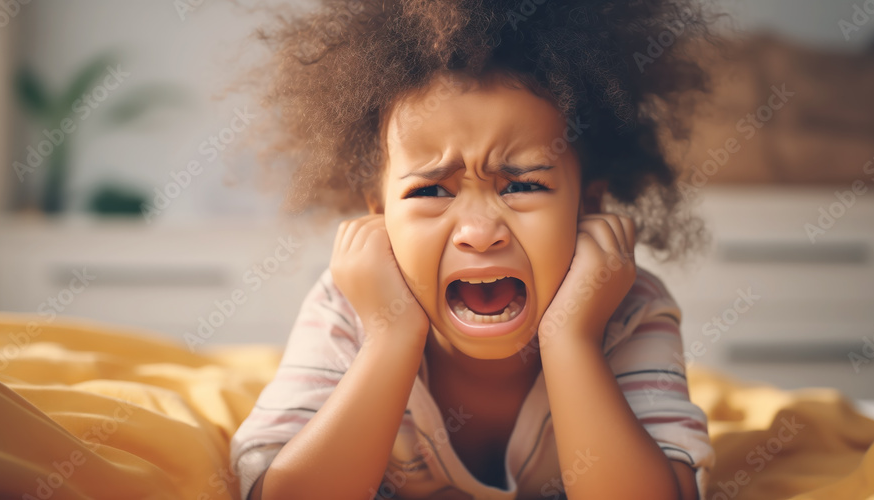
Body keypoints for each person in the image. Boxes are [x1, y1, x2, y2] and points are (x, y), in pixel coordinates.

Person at [231, 1, 717, 499]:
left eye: (522, 185)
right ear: (381, 216)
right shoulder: (349, 306)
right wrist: (388, 338)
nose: (480, 233)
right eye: (430, 190)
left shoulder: (626, 308)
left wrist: (573, 340)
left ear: (587, 208)